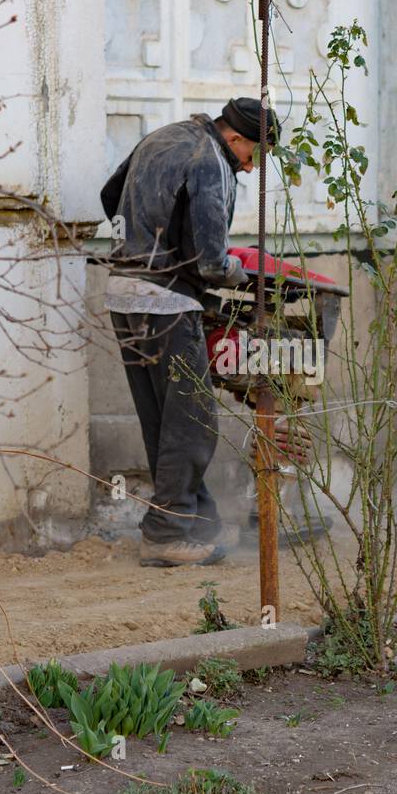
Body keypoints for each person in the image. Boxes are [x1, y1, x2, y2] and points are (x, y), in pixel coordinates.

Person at [100, 97, 279, 568]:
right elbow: (210, 260)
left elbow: (108, 193)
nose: (249, 168)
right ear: (236, 138)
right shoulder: (210, 160)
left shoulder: (163, 137)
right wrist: (236, 273)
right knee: (193, 423)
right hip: (168, 301)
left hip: (123, 295)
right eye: (252, 156)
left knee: (164, 423)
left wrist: (137, 245)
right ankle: (166, 534)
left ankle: (196, 523)